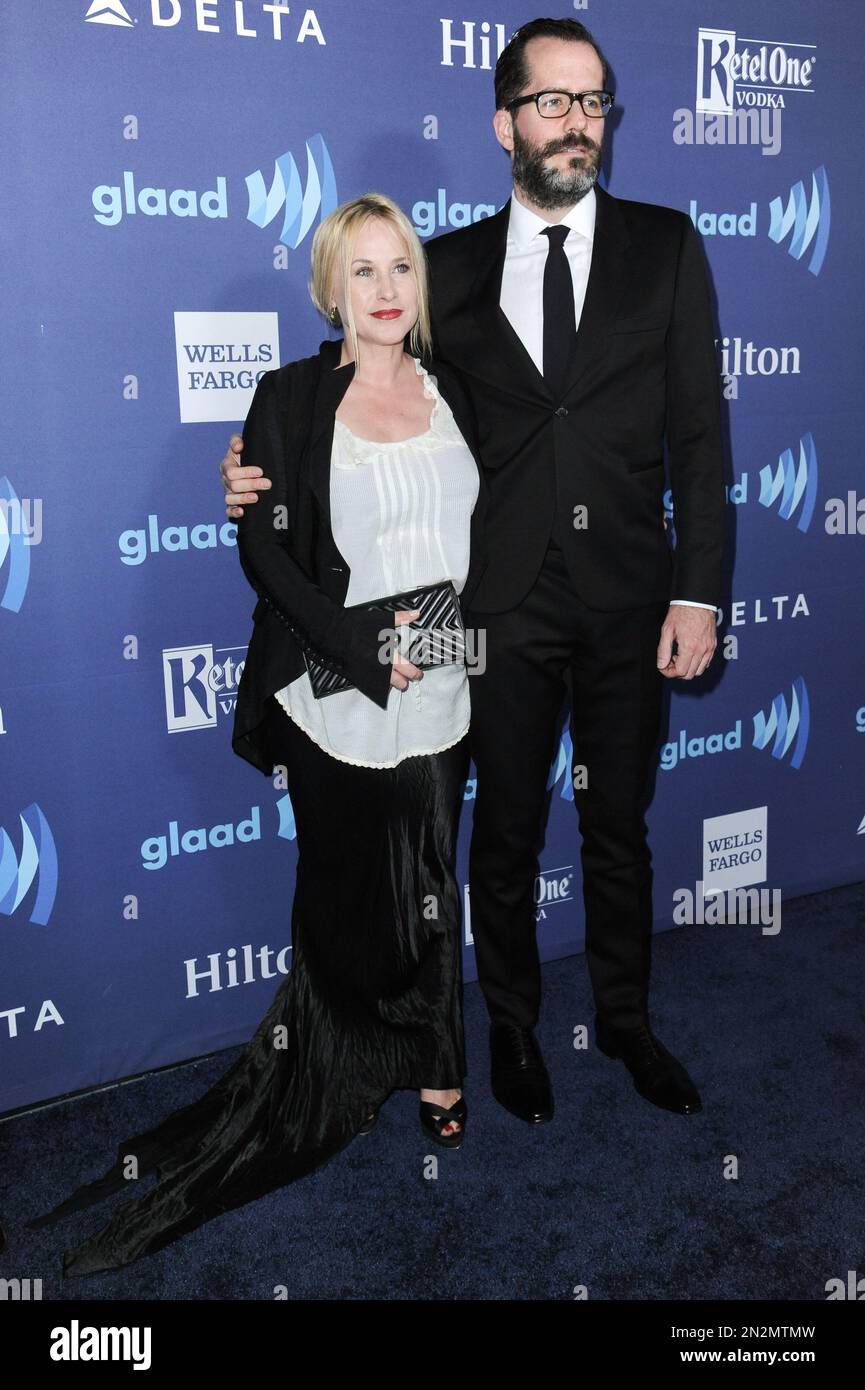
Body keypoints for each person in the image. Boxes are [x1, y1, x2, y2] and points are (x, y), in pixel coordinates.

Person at [221, 18, 726, 1124]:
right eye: (551, 102)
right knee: (499, 834)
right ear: (505, 122)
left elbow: (699, 435)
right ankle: (510, 1026)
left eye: (592, 102)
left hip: (632, 599)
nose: (574, 122)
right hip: (494, 609)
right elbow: (364, 363)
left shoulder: (667, 245)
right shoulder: (442, 267)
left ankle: (629, 1024)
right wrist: (266, 457)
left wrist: (699, 588)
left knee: (617, 825)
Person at [26, 193, 488, 1277]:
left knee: (431, 875)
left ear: (420, 285)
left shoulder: (453, 388)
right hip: (335, 682)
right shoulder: (286, 398)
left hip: (445, 677)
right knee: (338, 890)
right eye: (361, 271)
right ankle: (331, 1061)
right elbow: (268, 556)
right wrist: (363, 649)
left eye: (401, 269)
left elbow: (497, 520)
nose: (384, 291)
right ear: (330, 287)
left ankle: (434, 1062)